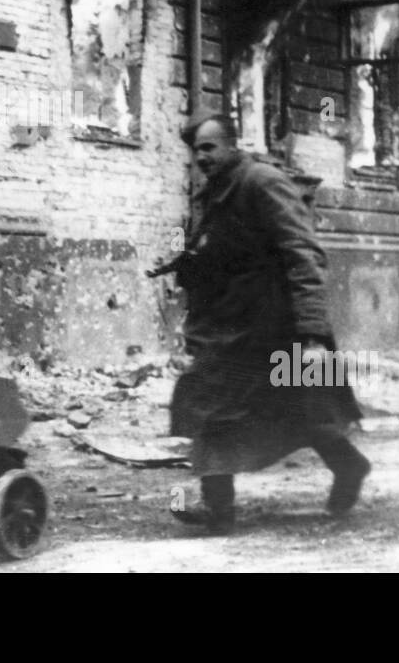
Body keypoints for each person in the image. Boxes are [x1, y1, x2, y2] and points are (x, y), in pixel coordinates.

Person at [162, 112, 370, 533]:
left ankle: (350, 467)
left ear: (231, 145)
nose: (201, 157)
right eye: (196, 151)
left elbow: (304, 253)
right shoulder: (211, 195)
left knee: (304, 412)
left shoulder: (262, 181)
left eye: (209, 148)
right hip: (231, 330)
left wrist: (312, 332)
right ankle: (219, 512)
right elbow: (216, 255)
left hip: (279, 327)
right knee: (212, 407)